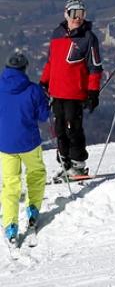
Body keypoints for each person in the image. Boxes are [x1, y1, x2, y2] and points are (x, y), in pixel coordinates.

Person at [40, 0, 102, 180]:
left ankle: (78, 164)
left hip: (75, 92)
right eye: (74, 13)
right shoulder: (56, 34)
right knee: (59, 129)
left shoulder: (88, 37)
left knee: (72, 128)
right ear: (66, 14)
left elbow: (95, 67)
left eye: (81, 13)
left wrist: (93, 91)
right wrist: (43, 82)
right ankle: (65, 162)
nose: (78, 17)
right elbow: (51, 63)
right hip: (57, 91)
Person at [0, 52, 49, 246]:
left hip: (5, 144)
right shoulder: (33, 89)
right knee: (36, 174)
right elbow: (43, 116)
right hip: (29, 142)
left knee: (10, 184)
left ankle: (11, 225)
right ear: (24, 68)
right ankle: (33, 210)